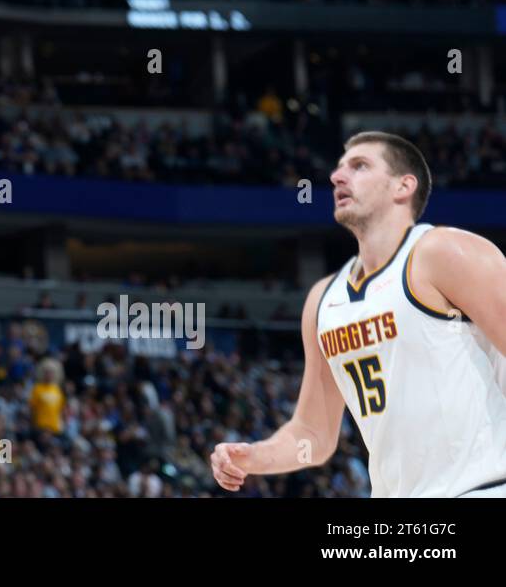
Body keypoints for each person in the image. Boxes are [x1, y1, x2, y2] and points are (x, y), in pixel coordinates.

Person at [211, 132, 506, 497]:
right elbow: (313, 435)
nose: (337, 177)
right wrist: (255, 457)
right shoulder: (324, 299)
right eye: (338, 169)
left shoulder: (445, 252)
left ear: (403, 186)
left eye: (359, 166)